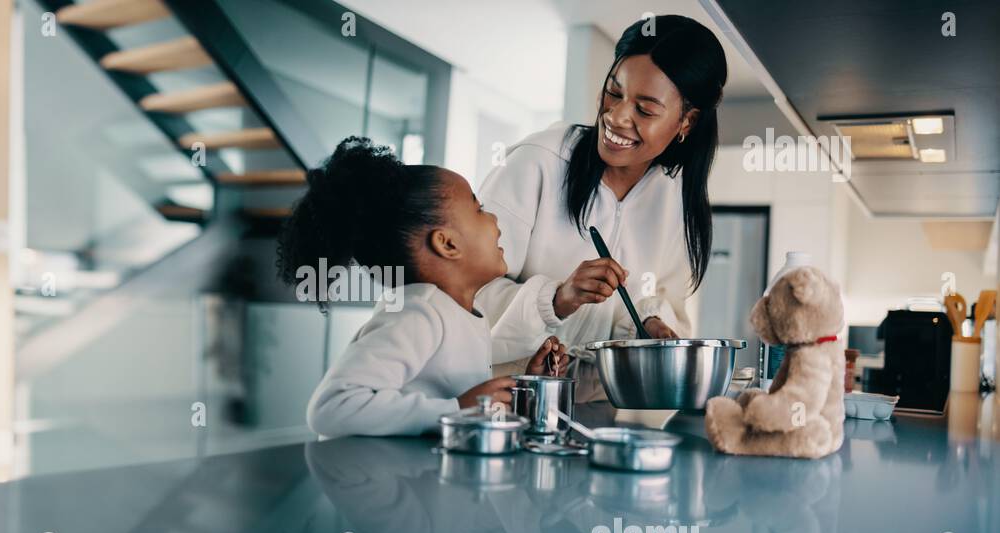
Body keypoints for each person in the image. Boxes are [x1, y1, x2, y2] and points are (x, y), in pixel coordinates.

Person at [476, 15, 727, 401]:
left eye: (644, 110)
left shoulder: (674, 199)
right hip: (503, 402)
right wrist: (556, 298)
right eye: (614, 92)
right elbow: (466, 290)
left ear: (686, 122)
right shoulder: (536, 162)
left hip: (597, 411)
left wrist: (650, 322)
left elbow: (663, 299)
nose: (616, 116)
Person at [278, 137, 564, 438]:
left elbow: (455, 392)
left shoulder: (462, 314)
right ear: (447, 243)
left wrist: (526, 384)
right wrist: (458, 410)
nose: (493, 217)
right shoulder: (419, 312)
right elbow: (331, 408)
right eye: (478, 209)